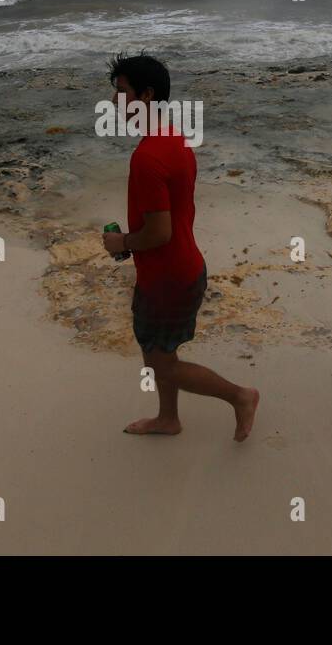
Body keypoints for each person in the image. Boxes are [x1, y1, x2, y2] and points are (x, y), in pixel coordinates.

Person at [101, 52, 259, 441]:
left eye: (121, 93)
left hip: (168, 277)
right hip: (177, 269)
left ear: (147, 95)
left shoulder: (148, 157)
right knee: (159, 355)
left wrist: (121, 241)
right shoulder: (174, 138)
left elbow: (159, 233)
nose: (113, 102)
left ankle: (241, 396)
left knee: (164, 364)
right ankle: (168, 418)